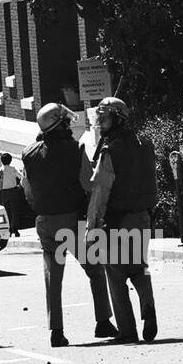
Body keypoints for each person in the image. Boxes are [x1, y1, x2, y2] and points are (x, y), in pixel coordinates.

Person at [22, 103, 117, 348]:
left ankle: (56, 330)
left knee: (53, 279)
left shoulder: (28, 153)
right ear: (61, 124)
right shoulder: (75, 149)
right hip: (72, 219)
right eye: (65, 121)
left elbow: (28, 191)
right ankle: (103, 321)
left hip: (44, 221)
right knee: (95, 269)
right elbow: (89, 184)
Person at [87, 96, 159, 343]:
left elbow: (100, 191)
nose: (102, 123)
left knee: (116, 275)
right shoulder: (144, 143)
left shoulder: (110, 150)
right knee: (139, 268)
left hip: (116, 220)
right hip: (142, 217)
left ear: (118, 119)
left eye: (105, 118)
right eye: (100, 118)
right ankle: (148, 307)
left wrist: (92, 227)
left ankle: (127, 331)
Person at [0, 152, 22, 237]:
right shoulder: (13, 169)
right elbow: (20, 176)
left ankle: (8, 229)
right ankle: (15, 229)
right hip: (13, 191)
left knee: (6, 211)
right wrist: (18, 185)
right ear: (11, 160)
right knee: (14, 211)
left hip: (3, 192)